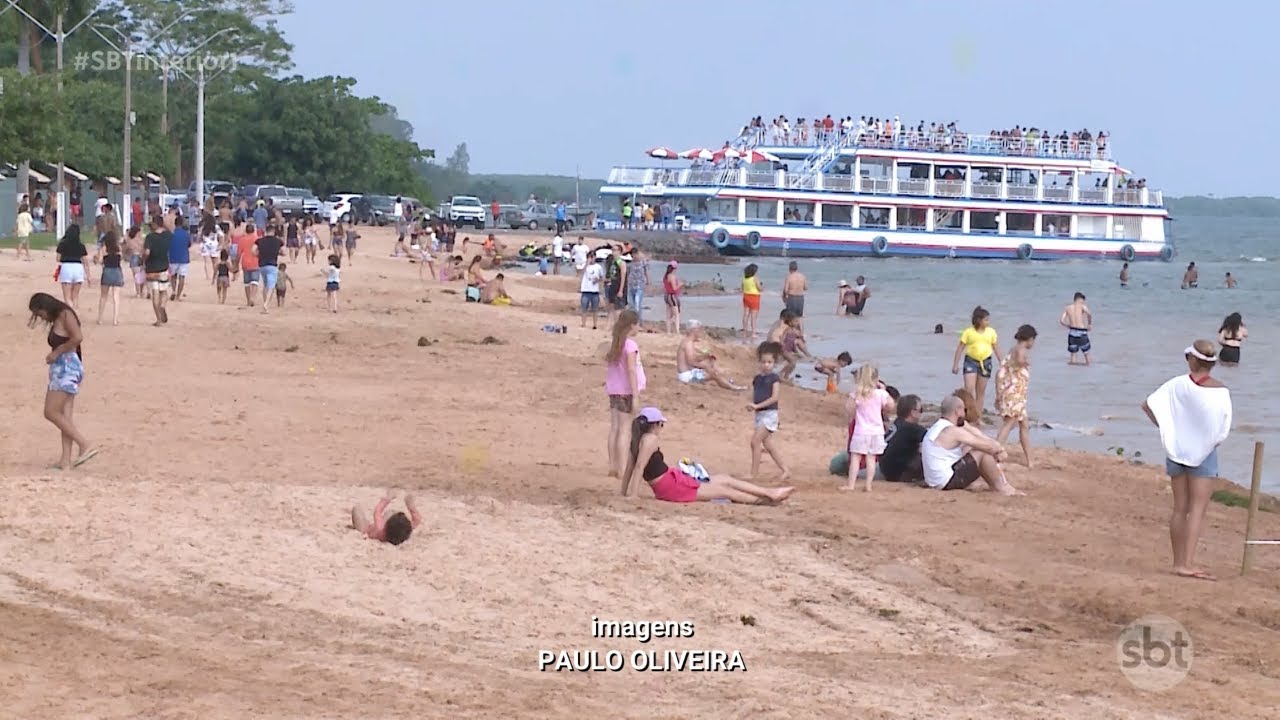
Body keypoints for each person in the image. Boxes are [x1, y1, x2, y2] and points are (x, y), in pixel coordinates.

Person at [1141, 340, 1232, 581]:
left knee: (1180, 508)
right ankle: (1188, 563)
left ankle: (1178, 562)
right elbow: (1223, 431)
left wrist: (1169, 430)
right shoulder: (1221, 391)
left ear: (1192, 360)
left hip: (1176, 450)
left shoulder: (1176, 385)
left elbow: (1148, 406)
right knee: (1197, 510)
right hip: (1203, 453)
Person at [621, 407, 794, 504]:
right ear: (655, 425)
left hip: (671, 481)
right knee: (723, 490)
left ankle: (769, 493)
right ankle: (765, 499)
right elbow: (638, 467)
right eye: (661, 425)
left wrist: (623, 492)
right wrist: (633, 495)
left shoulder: (637, 440)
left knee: (724, 479)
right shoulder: (650, 440)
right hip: (670, 487)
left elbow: (630, 469)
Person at [28, 292, 97, 470]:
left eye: (39, 313)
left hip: (67, 366)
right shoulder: (58, 317)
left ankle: (84, 443)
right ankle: (65, 460)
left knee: (50, 411)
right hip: (63, 366)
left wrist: (56, 352)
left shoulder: (66, 314)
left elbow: (78, 337)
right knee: (65, 415)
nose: (40, 317)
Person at [922, 395, 1021, 495]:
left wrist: (998, 447)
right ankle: (1002, 487)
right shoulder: (952, 431)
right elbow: (983, 445)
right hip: (944, 482)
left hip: (934, 481)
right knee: (981, 451)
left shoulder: (938, 427)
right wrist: (999, 450)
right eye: (964, 410)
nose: (965, 414)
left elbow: (976, 434)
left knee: (971, 448)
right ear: (958, 411)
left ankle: (999, 485)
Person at [605, 309, 645, 478]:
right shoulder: (630, 346)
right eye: (637, 324)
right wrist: (635, 395)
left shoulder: (617, 343)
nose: (639, 328)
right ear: (632, 325)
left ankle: (613, 465)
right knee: (624, 430)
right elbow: (631, 370)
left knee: (614, 428)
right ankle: (621, 468)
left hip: (614, 390)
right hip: (625, 391)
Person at [844, 363, 895, 491]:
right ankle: (868, 484)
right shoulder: (880, 394)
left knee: (856, 457)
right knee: (871, 458)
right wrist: (883, 390)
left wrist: (855, 413)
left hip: (861, 430)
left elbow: (849, 409)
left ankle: (851, 485)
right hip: (877, 431)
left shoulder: (857, 394)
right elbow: (891, 406)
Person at [995, 324, 1038, 467]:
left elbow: (1001, 373)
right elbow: (1019, 361)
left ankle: (1030, 460)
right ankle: (994, 451)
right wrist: (1024, 363)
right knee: (1009, 423)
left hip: (1016, 395)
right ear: (1030, 339)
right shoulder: (1020, 350)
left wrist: (998, 394)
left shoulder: (1013, 349)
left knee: (1024, 425)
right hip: (1014, 395)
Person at [747, 341, 791, 481]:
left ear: (774, 363)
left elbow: (774, 397)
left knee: (755, 442)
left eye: (769, 362)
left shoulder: (774, 378)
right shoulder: (757, 379)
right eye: (764, 362)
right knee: (769, 445)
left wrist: (757, 406)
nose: (766, 365)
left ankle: (753, 474)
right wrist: (752, 404)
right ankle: (785, 470)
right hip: (759, 415)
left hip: (769, 415)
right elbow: (754, 394)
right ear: (759, 362)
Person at [952, 306, 1001, 417]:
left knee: (980, 392)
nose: (988, 322)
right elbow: (960, 348)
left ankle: (977, 417)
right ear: (979, 320)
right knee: (969, 389)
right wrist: (955, 364)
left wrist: (1001, 361)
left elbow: (996, 347)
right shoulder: (969, 332)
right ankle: (967, 414)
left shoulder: (991, 332)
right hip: (970, 361)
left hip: (986, 362)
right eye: (986, 320)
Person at [676, 320, 744, 390]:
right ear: (694, 330)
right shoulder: (688, 343)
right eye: (699, 329)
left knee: (711, 362)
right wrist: (706, 367)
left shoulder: (688, 341)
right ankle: (733, 387)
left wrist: (705, 356)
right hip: (687, 376)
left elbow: (693, 359)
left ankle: (725, 380)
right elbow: (691, 362)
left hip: (687, 373)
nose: (700, 332)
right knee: (714, 374)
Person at [880, 394, 927, 483]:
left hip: (884, 465)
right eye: (921, 410)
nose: (921, 413)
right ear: (913, 412)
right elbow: (933, 439)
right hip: (897, 473)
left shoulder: (898, 423)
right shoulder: (912, 429)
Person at [351, 489, 422, 545]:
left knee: (357, 510)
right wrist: (411, 506)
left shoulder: (380, 528)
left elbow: (377, 511)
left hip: (367, 530)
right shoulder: (404, 531)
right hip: (377, 530)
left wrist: (388, 498)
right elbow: (417, 520)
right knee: (390, 512)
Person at [142, 215, 172, 325]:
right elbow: (170, 231)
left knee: (155, 294)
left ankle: (158, 319)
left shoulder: (150, 237)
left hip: (152, 268)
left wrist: (143, 260)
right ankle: (163, 305)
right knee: (164, 291)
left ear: (154, 224)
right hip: (164, 266)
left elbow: (147, 253)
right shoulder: (167, 236)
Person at [55, 225, 89, 309]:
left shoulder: (62, 244)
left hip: (67, 267)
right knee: (75, 297)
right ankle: (76, 313)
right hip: (78, 268)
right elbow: (85, 261)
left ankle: (72, 314)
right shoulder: (81, 245)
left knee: (67, 297)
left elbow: (58, 258)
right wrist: (88, 275)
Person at [95, 231, 125, 326]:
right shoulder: (118, 248)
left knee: (103, 296)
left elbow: (99, 261)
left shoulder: (103, 249)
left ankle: (100, 318)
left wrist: (98, 260)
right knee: (116, 297)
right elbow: (121, 259)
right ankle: (115, 319)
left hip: (107, 271)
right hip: (117, 271)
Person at [255, 225, 284, 314]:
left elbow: (253, 250)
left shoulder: (259, 241)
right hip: (272, 264)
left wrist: (258, 255)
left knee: (265, 285)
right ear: (274, 231)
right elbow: (283, 252)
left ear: (265, 231)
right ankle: (266, 304)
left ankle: (265, 303)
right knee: (271, 286)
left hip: (262, 264)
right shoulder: (278, 241)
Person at [1059, 292, 1093, 365]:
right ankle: (1089, 371)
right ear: (1080, 299)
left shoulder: (1067, 307)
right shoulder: (1082, 306)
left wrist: (1067, 325)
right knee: (1086, 354)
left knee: (1073, 354)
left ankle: (1073, 373)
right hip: (1081, 332)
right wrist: (1089, 324)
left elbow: (1061, 321)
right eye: (1083, 301)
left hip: (1072, 333)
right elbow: (1089, 314)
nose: (1083, 302)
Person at [234, 220, 261, 307]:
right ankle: (253, 297)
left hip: (245, 262)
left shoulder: (242, 240)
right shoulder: (257, 239)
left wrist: (236, 264)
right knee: (255, 282)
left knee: (247, 283)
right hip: (256, 262)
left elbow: (238, 254)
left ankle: (248, 299)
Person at [168, 215, 192, 301]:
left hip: (173, 257)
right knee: (182, 277)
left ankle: (173, 291)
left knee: (173, 276)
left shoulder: (171, 234)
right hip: (184, 258)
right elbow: (189, 244)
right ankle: (178, 296)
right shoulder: (186, 234)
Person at [579, 253, 605, 329]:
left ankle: (595, 324)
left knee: (595, 309)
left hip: (594, 291)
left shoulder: (598, 267)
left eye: (592, 257)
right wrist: (586, 264)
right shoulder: (585, 266)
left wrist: (598, 280)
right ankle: (583, 323)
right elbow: (581, 273)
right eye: (589, 257)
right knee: (584, 308)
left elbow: (602, 278)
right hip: (585, 290)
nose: (591, 259)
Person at [781, 261, 807, 332]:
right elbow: (805, 288)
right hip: (800, 298)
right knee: (800, 317)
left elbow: (786, 290)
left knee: (790, 317)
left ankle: (791, 332)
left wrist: (784, 297)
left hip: (792, 297)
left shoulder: (789, 277)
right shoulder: (802, 276)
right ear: (797, 268)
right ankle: (801, 333)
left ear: (789, 268)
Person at [741, 263, 762, 338]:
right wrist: (761, 286)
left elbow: (742, 288)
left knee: (746, 314)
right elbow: (759, 288)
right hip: (754, 297)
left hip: (746, 296)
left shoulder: (744, 278)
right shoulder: (755, 278)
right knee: (753, 316)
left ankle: (744, 331)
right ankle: (753, 333)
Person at [627, 247, 649, 323]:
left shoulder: (643, 262)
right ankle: (634, 320)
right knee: (631, 304)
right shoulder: (630, 264)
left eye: (635, 254)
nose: (634, 256)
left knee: (637, 303)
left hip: (640, 285)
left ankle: (638, 321)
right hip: (631, 285)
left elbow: (646, 272)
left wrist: (648, 281)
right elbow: (628, 273)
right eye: (633, 255)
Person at [660, 260, 682, 334]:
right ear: (674, 269)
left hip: (667, 295)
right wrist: (680, 284)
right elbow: (674, 288)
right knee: (677, 315)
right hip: (672, 296)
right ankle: (677, 331)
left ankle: (668, 331)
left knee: (668, 315)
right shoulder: (672, 276)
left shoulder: (665, 276)